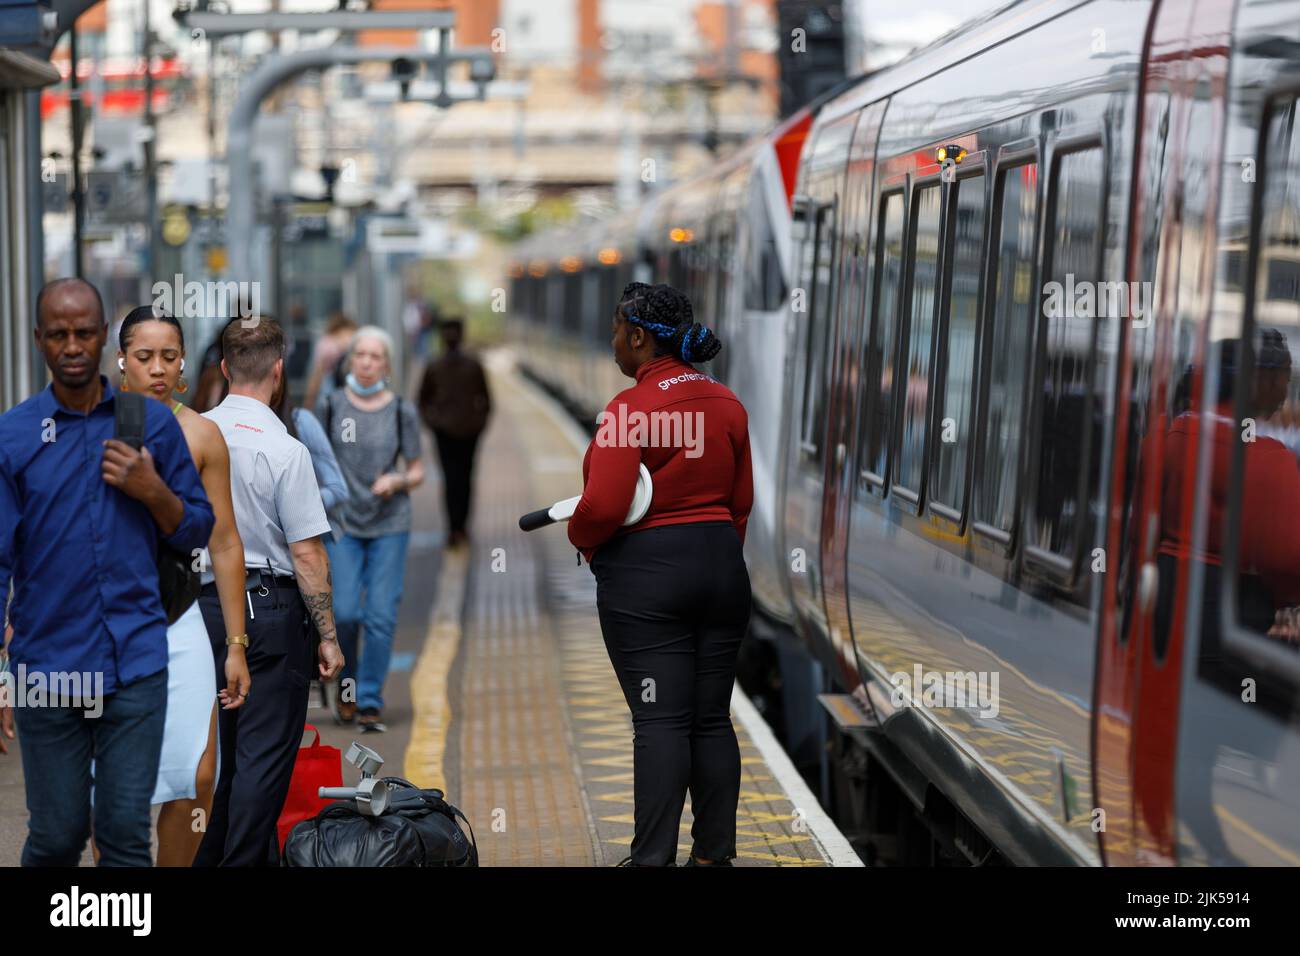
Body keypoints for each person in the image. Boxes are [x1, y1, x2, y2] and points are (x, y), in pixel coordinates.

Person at [0, 278, 215, 866]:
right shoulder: (15, 437)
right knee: (58, 834)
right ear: (40, 339)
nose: (72, 345)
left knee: (123, 833)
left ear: (102, 340)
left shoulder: (148, 424)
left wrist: (153, 491)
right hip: (48, 671)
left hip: (135, 663)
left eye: (84, 332)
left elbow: (197, 528)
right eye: (59, 334)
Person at [568, 282, 753, 867]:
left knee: (660, 721)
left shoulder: (628, 411)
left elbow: (600, 507)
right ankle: (713, 856)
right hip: (722, 570)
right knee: (710, 719)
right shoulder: (727, 403)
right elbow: (740, 501)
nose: (613, 340)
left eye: (618, 330)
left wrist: (584, 543)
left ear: (640, 338)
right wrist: (714, 555)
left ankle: (652, 860)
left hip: (650, 580)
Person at [196, 316, 344, 866]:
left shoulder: (193, 434)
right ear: (279, 373)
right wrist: (327, 637)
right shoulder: (286, 450)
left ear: (225, 368)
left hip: (203, 613)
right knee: (259, 766)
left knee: (223, 765)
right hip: (271, 615)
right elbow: (307, 555)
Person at [111, 306, 252, 867]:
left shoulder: (201, 433)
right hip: (106, 626)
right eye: (144, 357)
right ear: (121, 361)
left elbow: (224, 542)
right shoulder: (95, 426)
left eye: (169, 356)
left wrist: (237, 644)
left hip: (180, 614)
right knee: (115, 784)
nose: (157, 368)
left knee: (199, 774)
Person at [318, 326, 424, 731]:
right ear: (350, 360)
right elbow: (314, 459)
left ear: (387, 364)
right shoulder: (330, 406)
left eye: (375, 356)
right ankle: (346, 690)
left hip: (389, 523)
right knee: (344, 611)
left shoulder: (401, 410)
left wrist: (397, 481)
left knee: (380, 615)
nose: (366, 362)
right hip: (343, 523)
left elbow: (417, 470)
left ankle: (369, 700)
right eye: (360, 354)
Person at [417, 318, 491, 547]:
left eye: (454, 332)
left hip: (468, 433)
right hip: (445, 434)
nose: (450, 337)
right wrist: (434, 425)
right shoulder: (434, 366)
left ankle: (461, 527)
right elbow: (422, 400)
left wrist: (478, 426)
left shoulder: (472, 365)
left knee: (464, 479)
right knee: (452, 480)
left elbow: (486, 400)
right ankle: (454, 528)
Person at [302, 312, 357, 415]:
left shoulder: (325, 342)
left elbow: (317, 373)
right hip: (334, 380)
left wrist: (309, 401)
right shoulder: (330, 343)